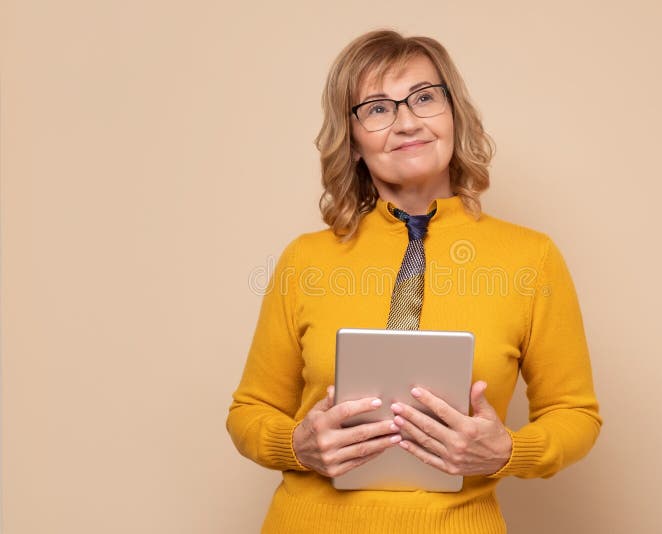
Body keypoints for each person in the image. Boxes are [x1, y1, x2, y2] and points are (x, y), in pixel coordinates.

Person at [226, 29, 602, 533]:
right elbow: (250, 410)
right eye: (378, 108)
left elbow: (574, 414)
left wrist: (507, 450)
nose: (406, 122)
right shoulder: (305, 260)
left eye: (424, 98)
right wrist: (296, 445)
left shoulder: (530, 258)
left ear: (453, 115)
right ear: (353, 140)